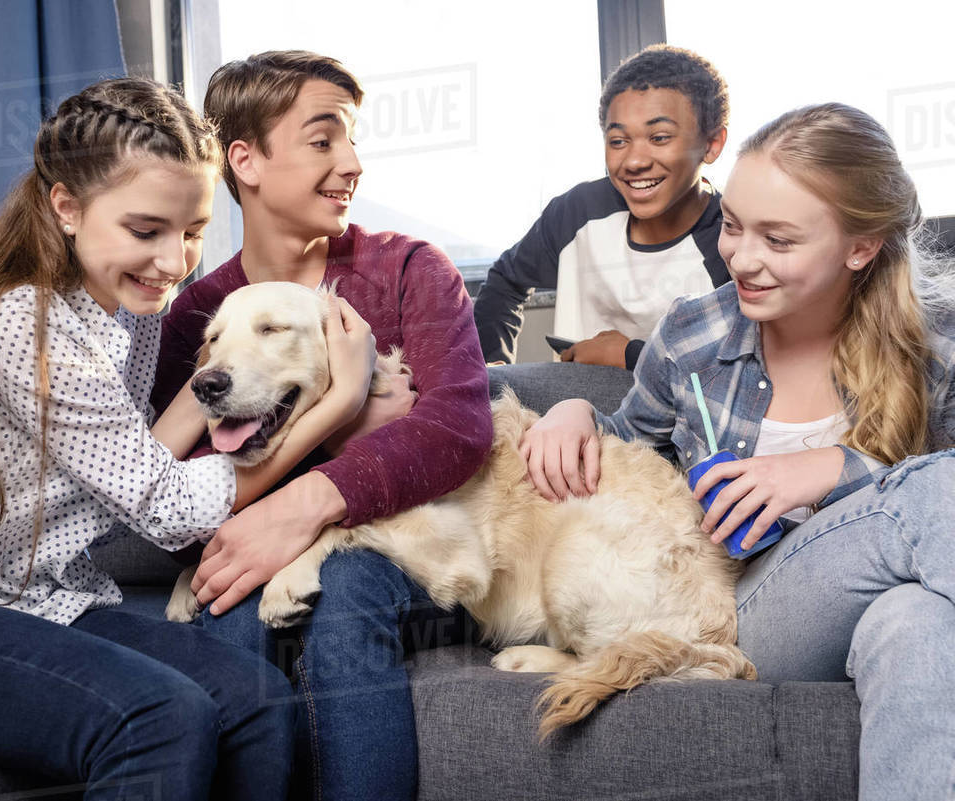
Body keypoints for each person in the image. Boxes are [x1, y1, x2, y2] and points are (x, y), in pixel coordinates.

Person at [0, 78, 380, 801]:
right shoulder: (24, 320)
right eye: (145, 231)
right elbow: (166, 507)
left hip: (34, 601)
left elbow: (137, 462)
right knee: (160, 717)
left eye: (191, 231)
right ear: (66, 207)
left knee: (257, 697)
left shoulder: (134, 313)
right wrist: (339, 402)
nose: (173, 261)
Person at [522, 103, 955, 801]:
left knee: (917, 623)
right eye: (731, 225)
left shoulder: (935, 340)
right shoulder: (694, 334)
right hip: (738, 608)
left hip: (889, 602)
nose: (742, 259)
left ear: (860, 247)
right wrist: (572, 409)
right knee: (933, 490)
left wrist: (829, 469)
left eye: (777, 239)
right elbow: (632, 449)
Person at [150, 51, 492, 800]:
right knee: (229, 600)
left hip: (412, 549)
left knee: (343, 590)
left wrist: (303, 503)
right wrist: (353, 417)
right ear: (245, 160)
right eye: (323, 140)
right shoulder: (195, 315)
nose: (352, 164)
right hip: (253, 557)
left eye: (352, 140)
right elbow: (166, 495)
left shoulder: (409, 271)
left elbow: (458, 430)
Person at [474, 44, 731, 369]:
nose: (634, 161)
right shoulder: (577, 212)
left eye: (659, 137)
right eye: (618, 141)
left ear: (711, 144)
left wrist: (631, 356)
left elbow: (741, 374)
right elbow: (505, 281)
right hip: (571, 400)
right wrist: (491, 372)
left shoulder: (733, 241)